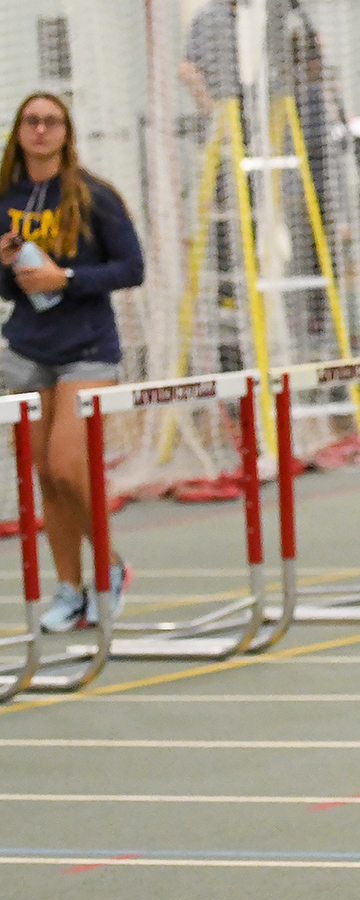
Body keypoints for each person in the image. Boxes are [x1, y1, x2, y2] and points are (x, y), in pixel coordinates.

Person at [0, 93, 139, 630]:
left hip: (87, 349)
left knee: (67, 466)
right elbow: (7, 290)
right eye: (30, 121)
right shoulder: (7, 196)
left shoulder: (95, 196)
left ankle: (110, 569)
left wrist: (70, 279)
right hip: (27, 349)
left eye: (50, 121)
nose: (40, 130)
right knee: (46, 479)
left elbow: (132, 267)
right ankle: (68, 589)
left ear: (66, 131)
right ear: (18, 132)